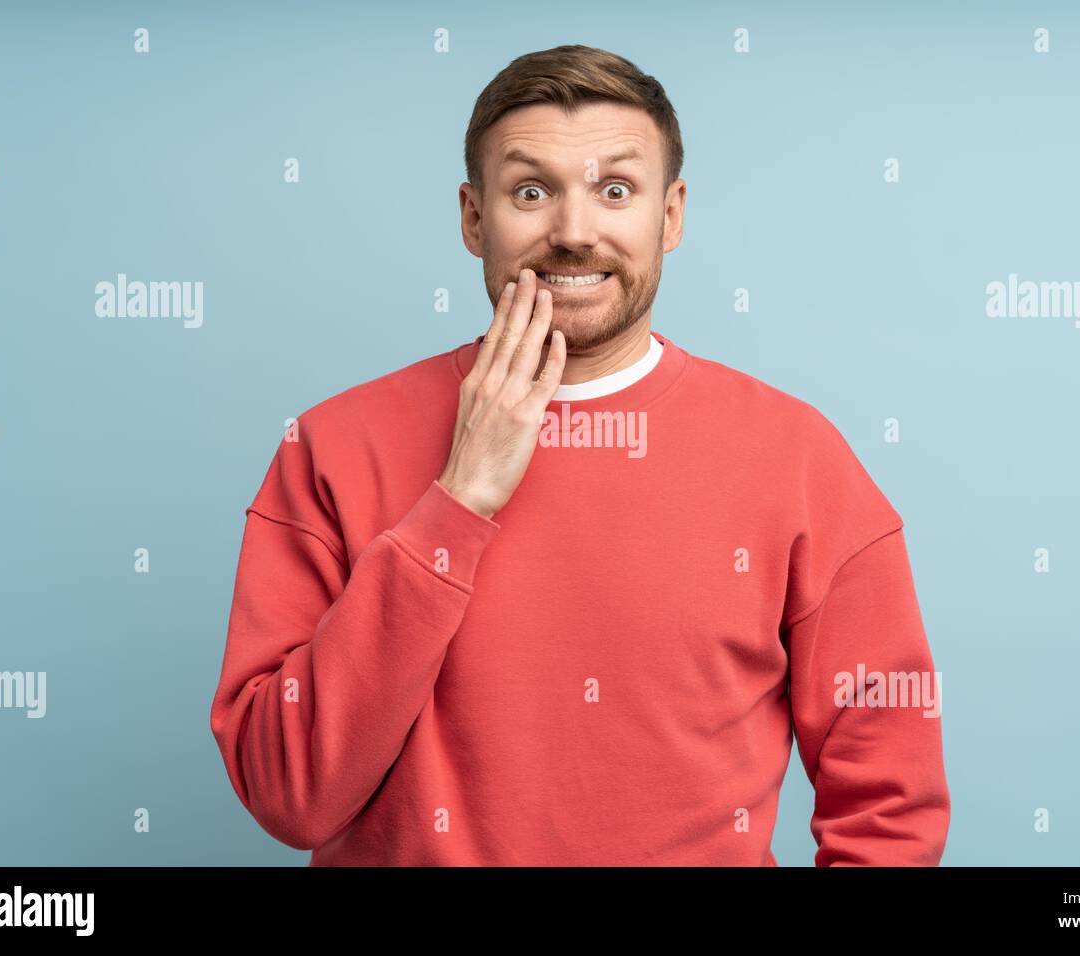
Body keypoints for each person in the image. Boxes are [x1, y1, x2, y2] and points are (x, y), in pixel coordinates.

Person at [209, 44, 951, 866]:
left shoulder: (799, 458)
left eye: (615, 190)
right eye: (531, 191)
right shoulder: (332, 447)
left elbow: (890, 805)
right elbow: (290, 797)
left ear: (669, 216)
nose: (573, 232)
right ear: (472, 217)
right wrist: (457, 503)